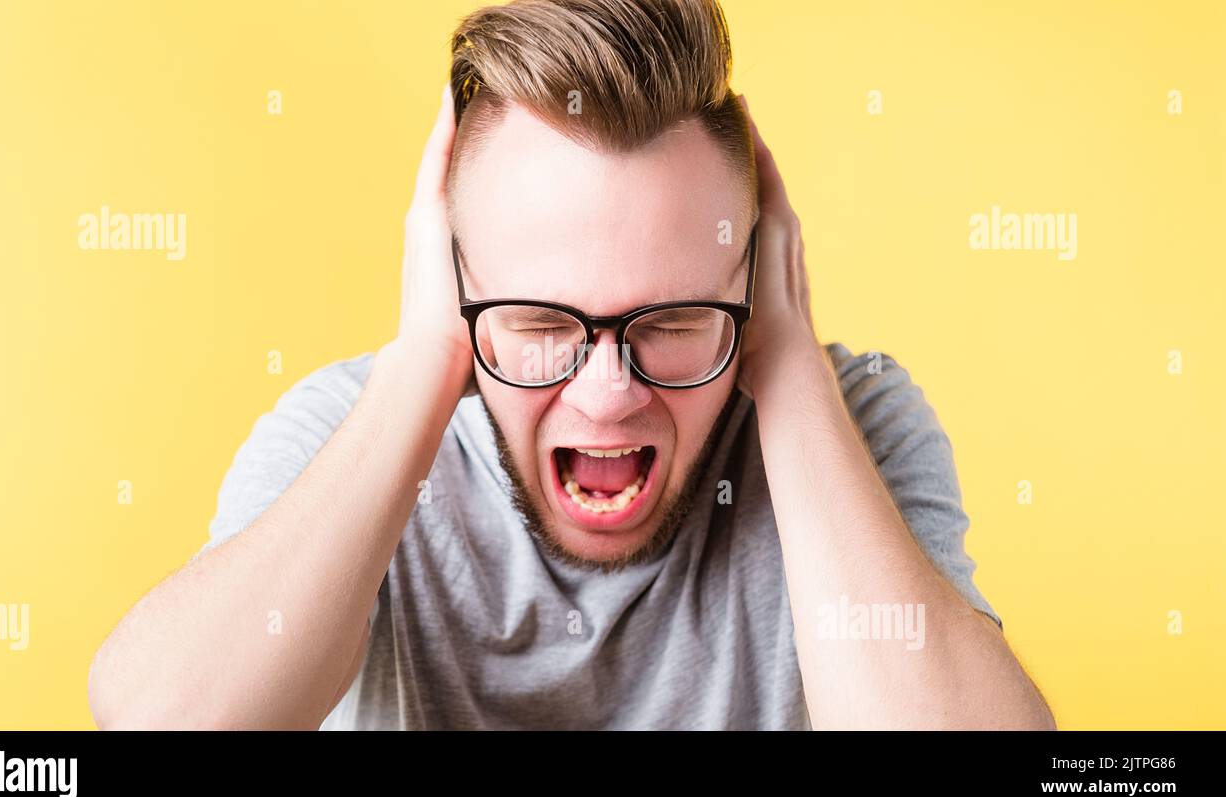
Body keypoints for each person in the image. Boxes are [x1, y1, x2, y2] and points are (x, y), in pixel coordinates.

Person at [88, 0, 1055, 730]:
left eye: (675, 316)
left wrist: (793, 368)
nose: (609, 394)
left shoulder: (855, 419)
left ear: (755, 280)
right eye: (542, 318)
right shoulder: (347, 426)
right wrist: (428, 358)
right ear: (454, 286)